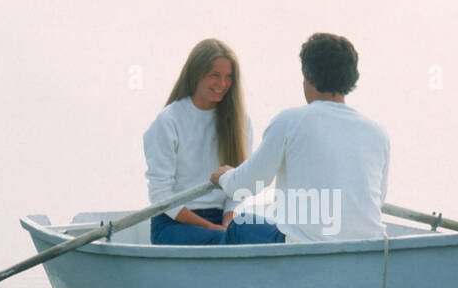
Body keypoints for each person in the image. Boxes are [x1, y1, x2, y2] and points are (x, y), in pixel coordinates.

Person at [211, 33, 390, 242]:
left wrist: (224, 176)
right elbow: (378, 201)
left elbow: (248, 184)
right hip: (367, 251)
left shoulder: (289, 121)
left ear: (309, 76)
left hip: (304, 250)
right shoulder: (377, 132)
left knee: (239, 226)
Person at [144, 39, 283, 245]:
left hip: (225, 219)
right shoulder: (168, 121)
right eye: (215, 76)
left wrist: (228, 222)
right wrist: (214, 228)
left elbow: (239, 186)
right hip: (174, 224)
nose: (222, 84)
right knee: (226, 242)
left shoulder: (240, 121)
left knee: (277, 235)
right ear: (196, 75)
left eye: (228, 77)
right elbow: (160, 196)